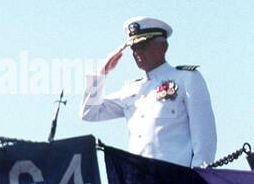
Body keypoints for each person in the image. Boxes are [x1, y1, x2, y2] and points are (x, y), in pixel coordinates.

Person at [80, 17, 217, 167]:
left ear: (163, 46)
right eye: (133, 47)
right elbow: (89, 112)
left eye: (143, 45)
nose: (137, 52)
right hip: (139, 180)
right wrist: (102, 72)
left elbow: (204, 135)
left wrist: (199, 176)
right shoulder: (130, 90)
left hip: (177, 177)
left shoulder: (186, 78)